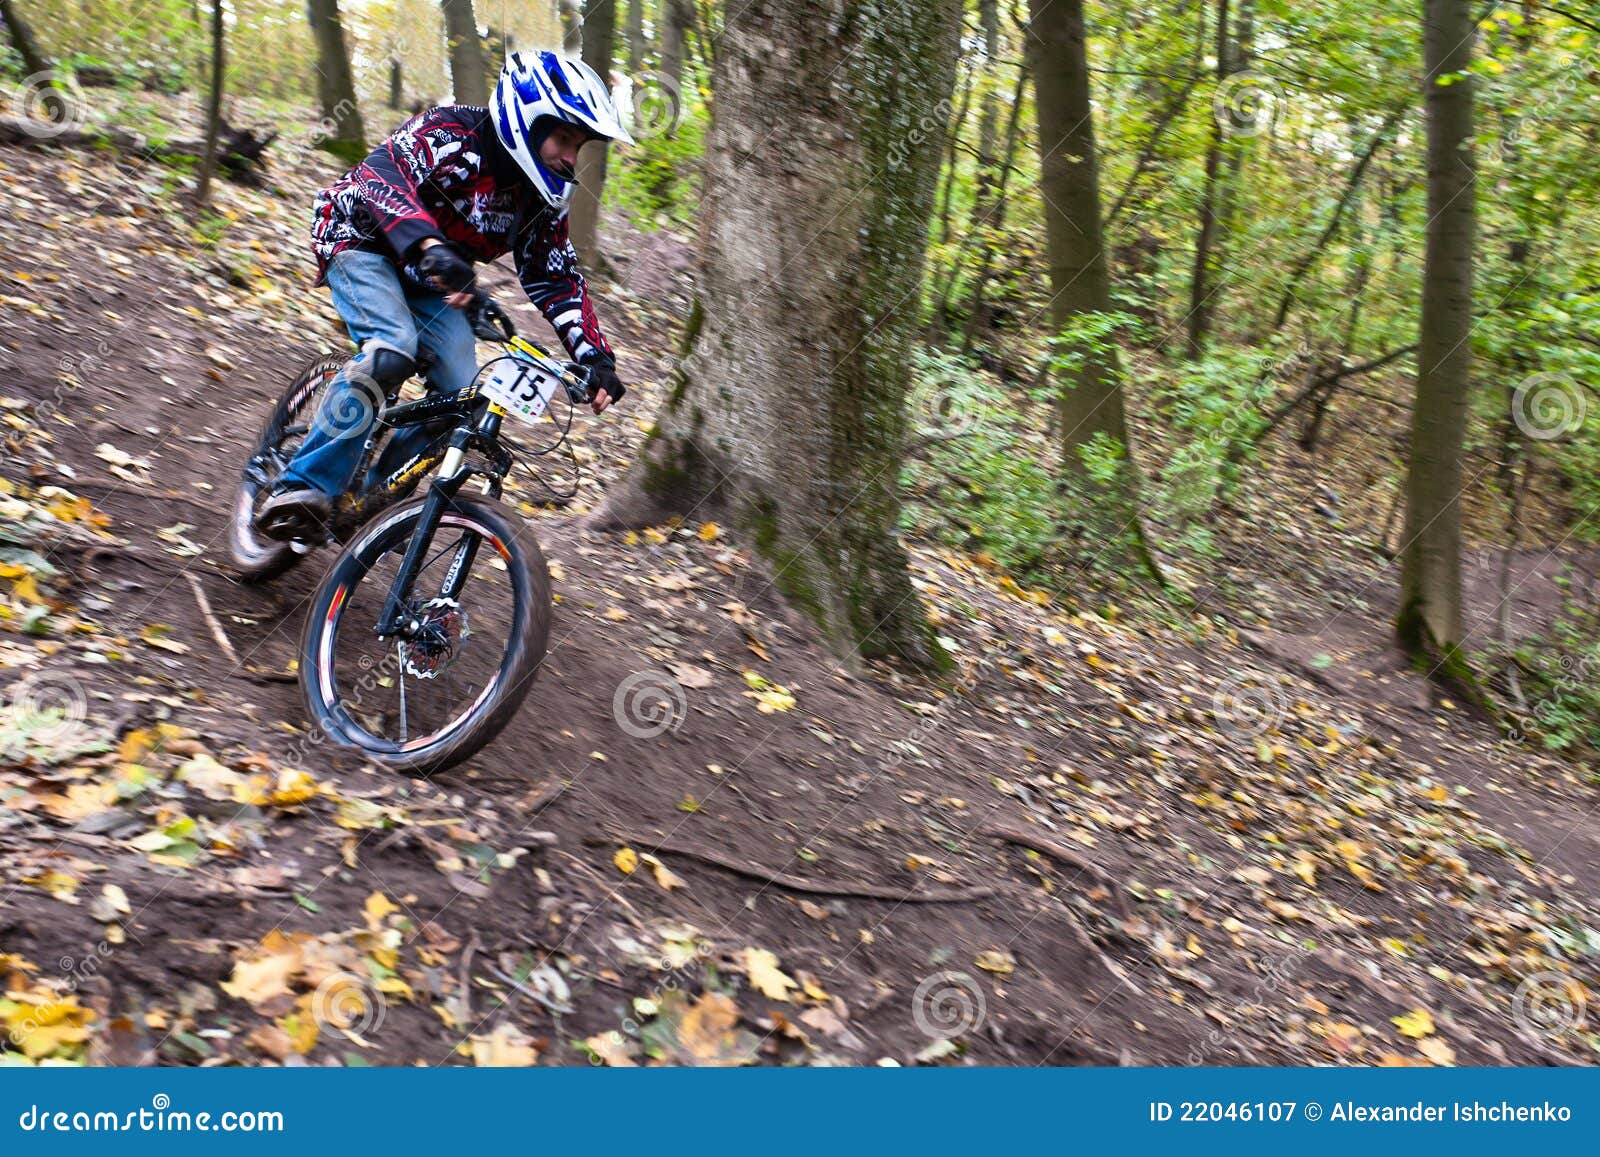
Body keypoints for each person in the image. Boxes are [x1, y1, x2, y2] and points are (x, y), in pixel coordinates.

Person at [256, 50, 633, 540]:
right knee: (392, 349)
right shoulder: (454, 131)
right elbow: (380, 175)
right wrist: (430, 244)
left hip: (433, 277)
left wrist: (595, 357)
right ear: (528, 117)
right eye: (563, 138)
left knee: (462, 393)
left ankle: (369, 504)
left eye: (577, 146)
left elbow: (555, 275)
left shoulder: (541, 198)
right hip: (360, 239)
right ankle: (300, 485)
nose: (569, 157)